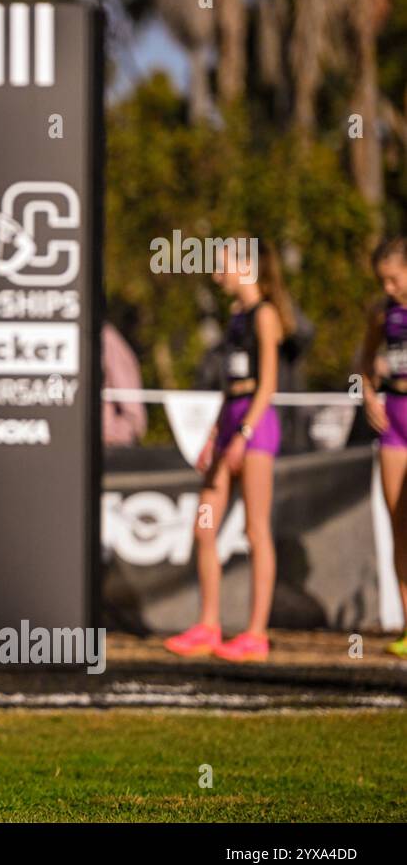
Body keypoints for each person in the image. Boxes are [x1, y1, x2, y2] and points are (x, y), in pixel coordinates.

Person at [165, 236, 293, 662]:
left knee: (256, 531)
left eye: (224, 265)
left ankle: (256, 633)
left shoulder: (265, 315)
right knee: (205, 526)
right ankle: (209, 624)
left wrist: (243, 433)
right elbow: (229, 386)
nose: (218, 273)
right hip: (230, 425)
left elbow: (268, 384)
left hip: (255, 430)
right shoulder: (235, 316)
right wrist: (214, 436)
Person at [356, 236, 407, 659]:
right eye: (382, 281)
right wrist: (369, 396)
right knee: (399, 526)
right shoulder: (382, 313)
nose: (388, 288)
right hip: (395, 423)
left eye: (393, 279)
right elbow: (363, 363)